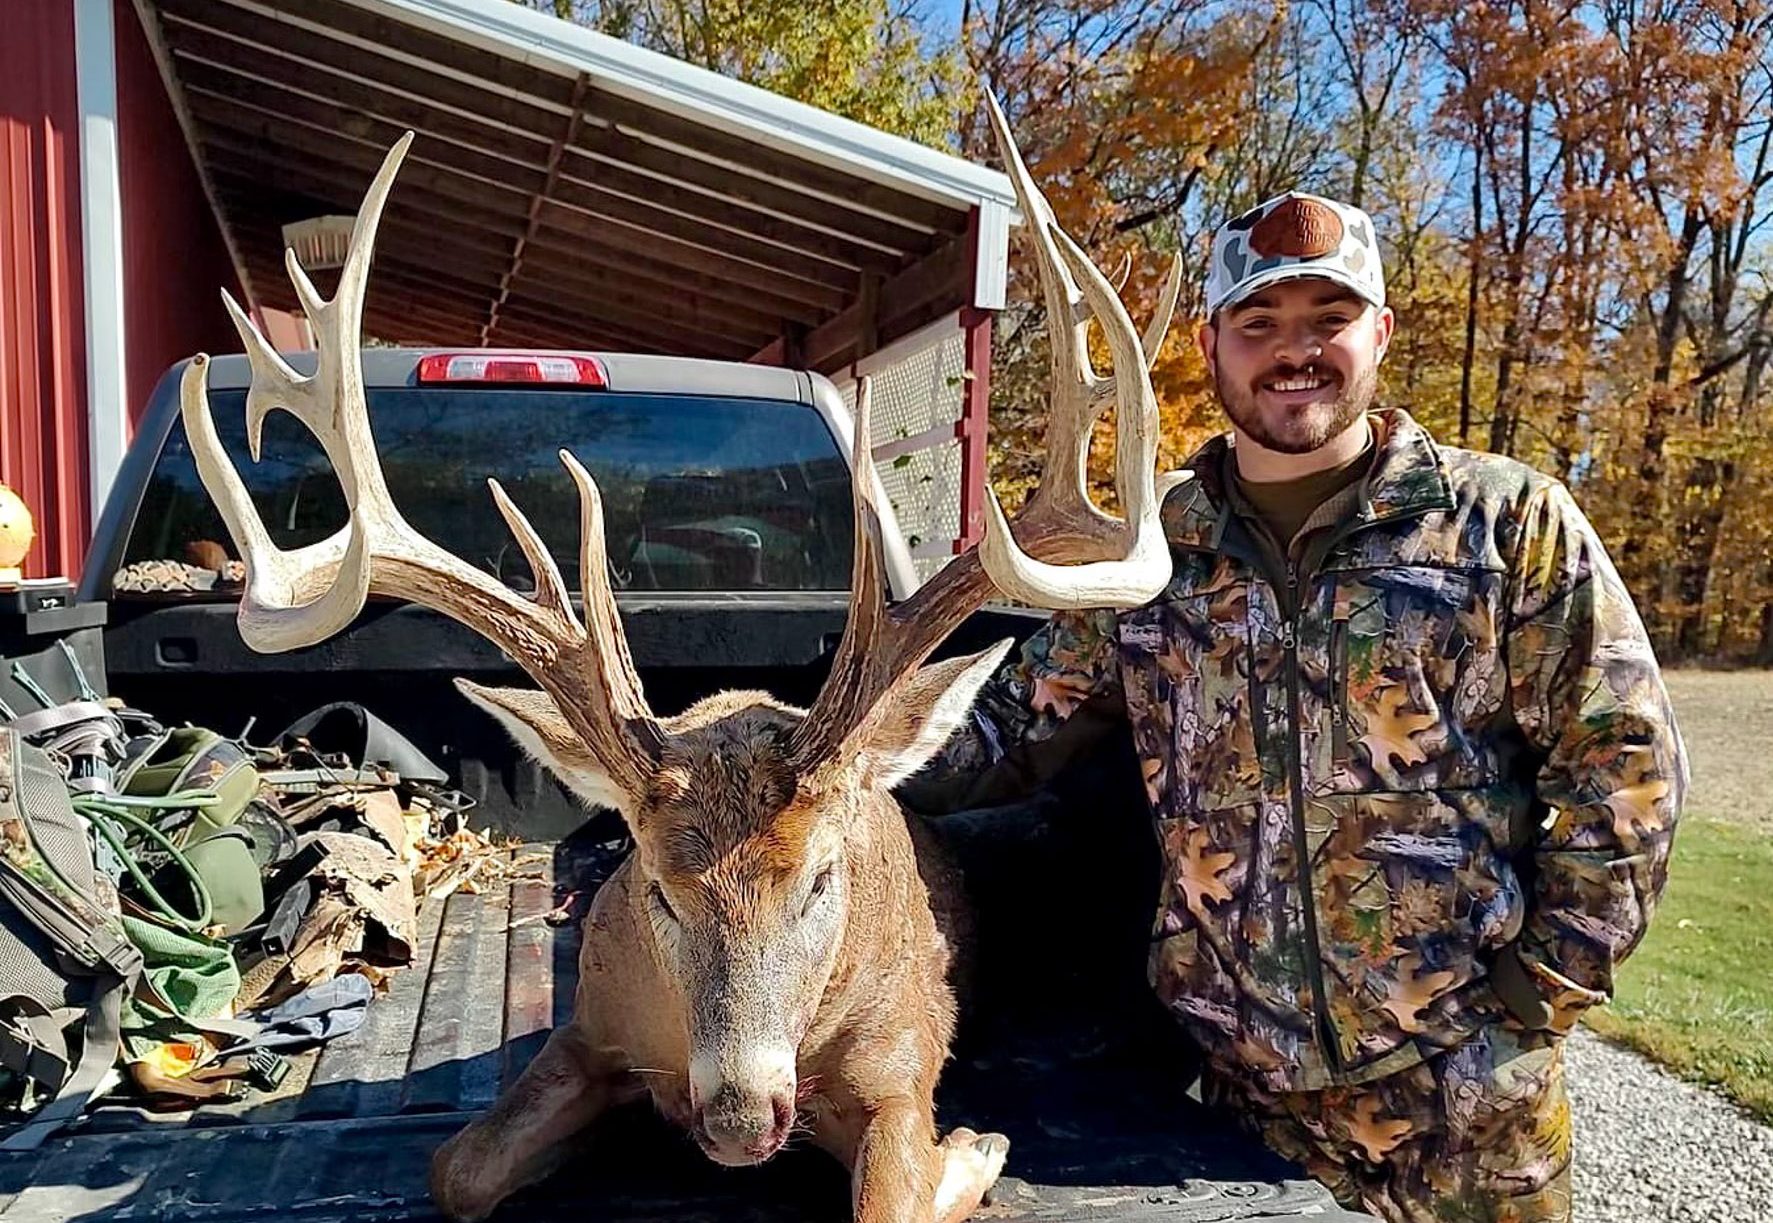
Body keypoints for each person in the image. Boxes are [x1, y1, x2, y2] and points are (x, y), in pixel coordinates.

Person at [907, 191, 1688, 1223]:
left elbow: (1625, 770)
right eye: (1261, 322)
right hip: (1236, 1110)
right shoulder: (1151, 554)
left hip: (1467, 1115)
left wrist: (1533, 1001)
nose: (1297, 350)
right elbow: (1001, 728)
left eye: (1330, 316)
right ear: (1212, 344)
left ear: (1380, 333)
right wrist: (787, 767)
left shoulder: (1505, 523)